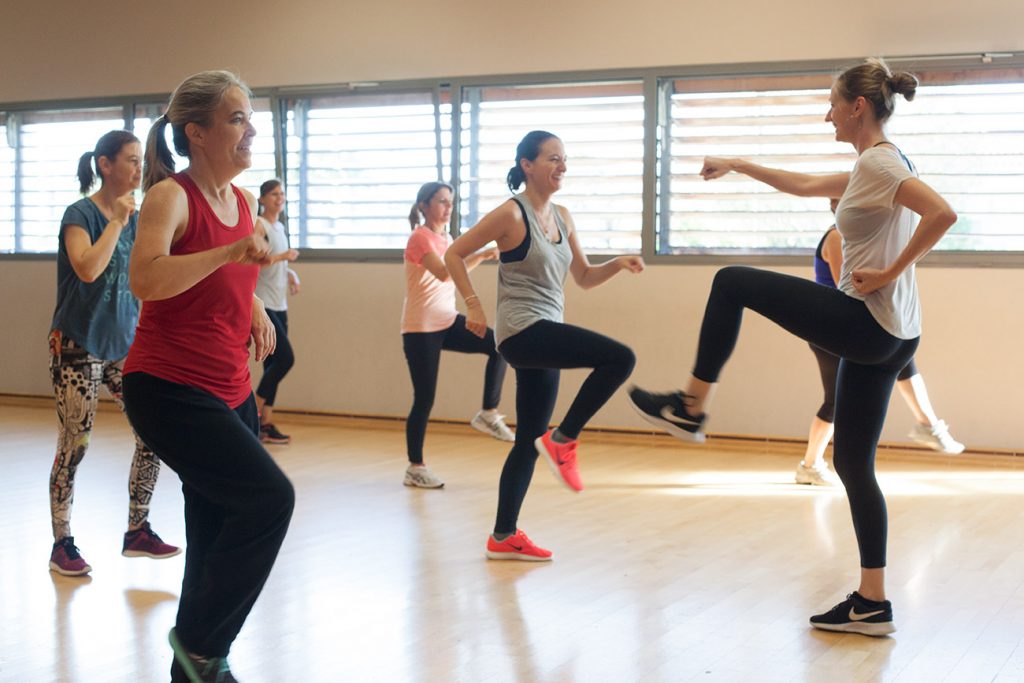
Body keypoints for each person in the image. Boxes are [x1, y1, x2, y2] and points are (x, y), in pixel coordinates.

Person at [628, 59, 958, 635]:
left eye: (832, 102)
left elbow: (943, 213)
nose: (825, 111)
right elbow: (804, 185)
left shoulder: (880, 162)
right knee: (854, 464)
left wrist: (886, 273)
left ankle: (690, 406)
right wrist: (738, 164)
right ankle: (872, 603)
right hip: (896, 337)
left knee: (731, 282)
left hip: (870, 324)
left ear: (858, 106)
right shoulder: (872, 165)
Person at [122, 71, 295, 683]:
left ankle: (194, 669)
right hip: (168, 387)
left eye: (250, 117)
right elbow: (146, 279)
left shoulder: (243, 201)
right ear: (196, 133)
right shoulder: (172, 197)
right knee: (272, 499)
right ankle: (198, 644)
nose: (251, 129)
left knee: (214, 524)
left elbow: (233, 271)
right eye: (236, 119)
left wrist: (253, 312)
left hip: (231, 388)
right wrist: (228, 253)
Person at [445, 130, 643, 561]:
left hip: (545, 331)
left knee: (528, 438)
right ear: (526, 165)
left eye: (564, 159)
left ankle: (503, 535)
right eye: (553, 158)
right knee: (619, 357)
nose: (562, 166)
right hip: (520, 331)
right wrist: (475, 307)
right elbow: (455, 253)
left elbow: (585, 278)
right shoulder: (511, 215)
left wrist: (619, 264)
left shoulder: (564, 216)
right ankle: (565, 440)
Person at [47, 130, 181, 577]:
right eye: (129, 160)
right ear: (104, 165)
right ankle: (62, 542)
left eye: (140, 161)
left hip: (126, 345)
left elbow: (150, 279)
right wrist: (118, 223)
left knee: (154, 433)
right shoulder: (80, 214)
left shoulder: (142, 220)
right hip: (77, 345)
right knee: (76, 442)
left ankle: (137, 528)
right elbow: (87, 268)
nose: (138, 169)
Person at [797, 199, 965, 486]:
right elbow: (846, 289)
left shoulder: (855, 239)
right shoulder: (837, 238)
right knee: (835, 402)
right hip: (829, 331)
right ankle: (810, 466)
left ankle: (929, 424)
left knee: (902, 358)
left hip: (845, 326)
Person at [401, 181, 514, 489]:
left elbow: (456, 267)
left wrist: (482, 255)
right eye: (441, 201)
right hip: (421, 329)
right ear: (424, 206)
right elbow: (444, 271)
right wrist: (474, 255)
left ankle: (488, 413)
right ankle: (415, 467)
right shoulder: (420, 238)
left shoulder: (446, 238)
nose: (448, 207)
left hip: (447, 321)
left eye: (450, 201)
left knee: (499, 345)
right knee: (424, 398)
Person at [253, 178, 300, 445]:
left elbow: (275, 263)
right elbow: (253, 262)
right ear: (262, 199)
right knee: (285, 359)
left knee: (273, 364)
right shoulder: (260, 226)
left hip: (280, 304)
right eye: (273, 194)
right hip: (264, 305)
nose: (278, 198)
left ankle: (266, 423)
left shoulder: (279, 227)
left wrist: (290, 272)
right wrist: (284, 259)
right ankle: (254, 413)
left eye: (281, 193)